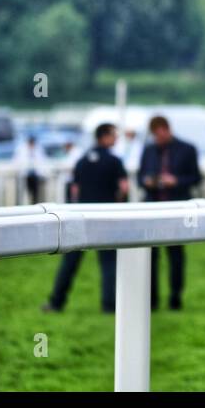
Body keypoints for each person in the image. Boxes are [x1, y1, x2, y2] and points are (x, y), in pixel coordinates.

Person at [42, 123, 127, 314]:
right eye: (114, 135)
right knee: (109, 263)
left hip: (80, 219)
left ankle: (56, 302)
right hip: (105, 218)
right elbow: (123, 189)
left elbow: (74, 190)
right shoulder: (114, 161)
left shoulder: (81, 161)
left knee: (70, 263)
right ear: (104, 136)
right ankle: (109, 306)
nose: (116, 139)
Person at [136, 115, 200, 310]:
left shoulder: (187, 149)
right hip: (153, 208)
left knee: (176, 255)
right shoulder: (148, 150)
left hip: (177, 209)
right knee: (150, 256)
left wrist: (176, 181)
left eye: (160, 134)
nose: (158, 138)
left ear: (167, 129)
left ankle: (175, 297)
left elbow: (195, 177)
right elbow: (140, 177)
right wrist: (147, 181)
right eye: (155, 135)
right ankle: (151, 299)